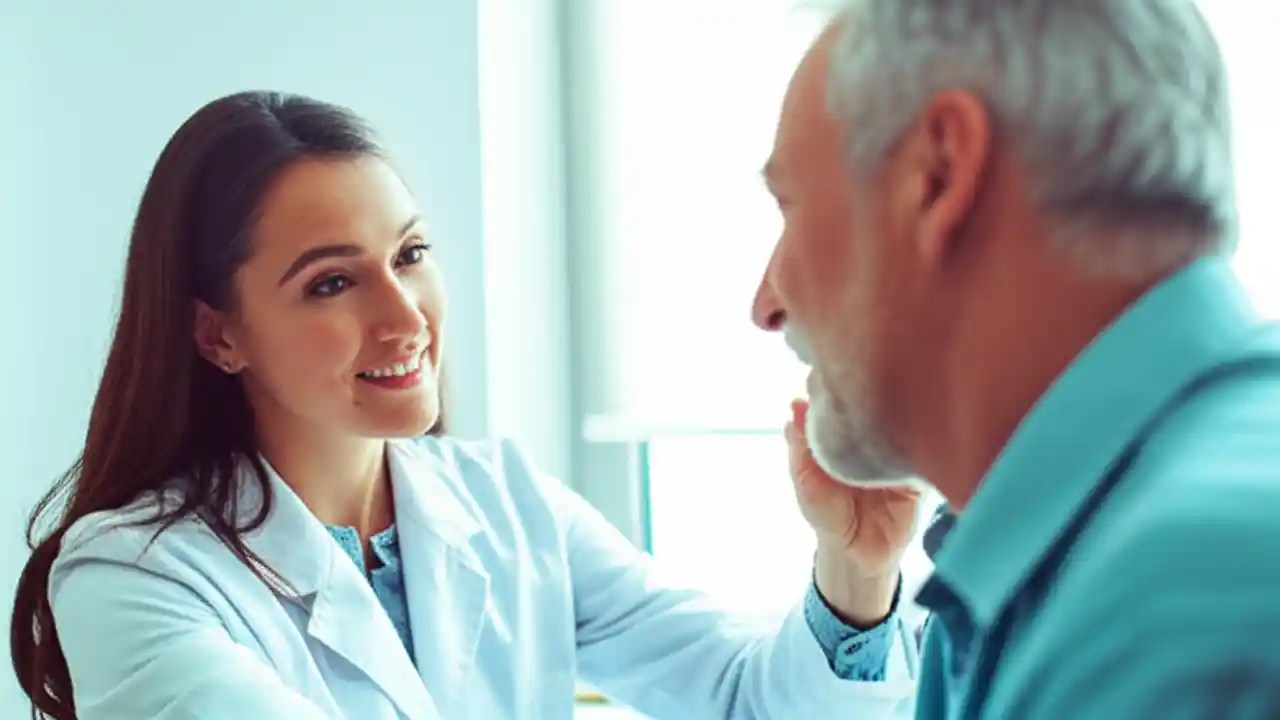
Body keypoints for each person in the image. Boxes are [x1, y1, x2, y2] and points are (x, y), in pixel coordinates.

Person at [9, 90, 924, 720]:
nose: (405, 318)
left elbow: (749, 698)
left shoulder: (507, 505)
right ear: (217, 335)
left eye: (409, 255)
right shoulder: (132, 576)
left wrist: (854, 571)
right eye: (332, 283)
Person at [752, 0, 1280, 717]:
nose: (767, 303)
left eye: (790, 205)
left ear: (938, 173)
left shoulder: (1178, 611)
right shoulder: (1040, 573)